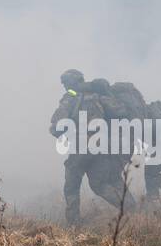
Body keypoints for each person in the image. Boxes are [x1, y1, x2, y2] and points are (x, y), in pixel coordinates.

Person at [50, 69, 135, 227]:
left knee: (72, 185)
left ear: (72, 82)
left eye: (65, 82)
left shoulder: (70, 97)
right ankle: (132, 208)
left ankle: (74, 224)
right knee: (100, 184)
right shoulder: (98, 95)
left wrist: (56, 131)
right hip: (101, 146)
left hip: (82, 147)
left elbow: (57, 124)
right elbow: (121, 111)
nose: (64, 86)